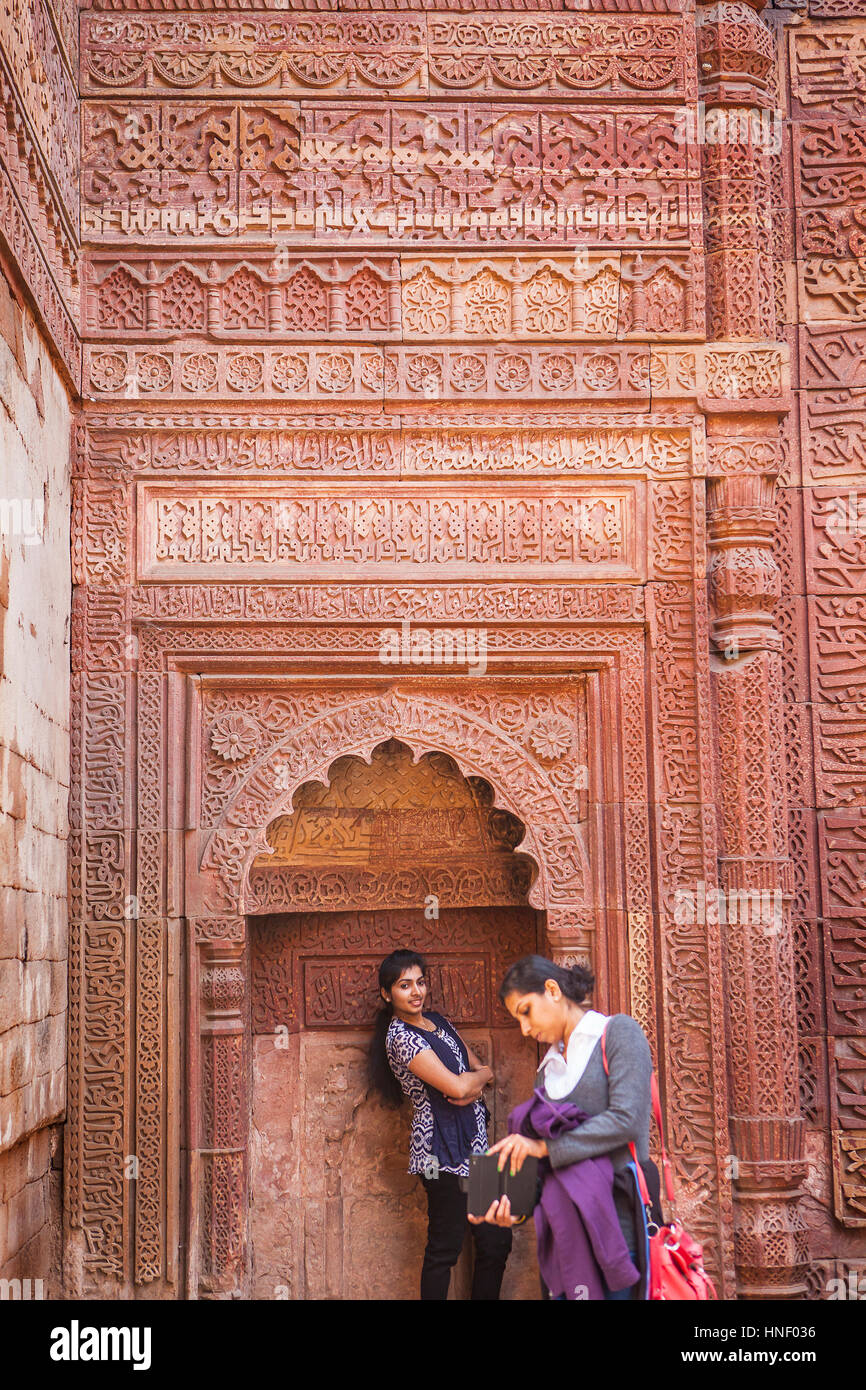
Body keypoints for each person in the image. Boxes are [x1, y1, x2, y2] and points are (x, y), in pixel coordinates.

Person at [469, 953, 654, 1301]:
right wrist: (515, 1210)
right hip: (566, 1240)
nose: (525, 1029)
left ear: (552, 990)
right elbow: (548, 1171)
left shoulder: (616, 1033)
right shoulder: (547, 1070)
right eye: (517, 1020)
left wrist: (544, 1148)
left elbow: (627, 1119)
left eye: (525, 1011)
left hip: (618, 1226)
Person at [369, 948, 513, 1300]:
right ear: (387, 994)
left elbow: (484, 1074)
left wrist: (479, 1079)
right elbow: (460, 1085)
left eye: (420, 982)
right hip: (437, 1150)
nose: (416, 991)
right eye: (404, 985)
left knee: (496, 1239)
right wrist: (471, 1083)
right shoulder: (400, 1037)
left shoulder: (438, 1022)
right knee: (445, 1246)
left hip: (476, 1143)